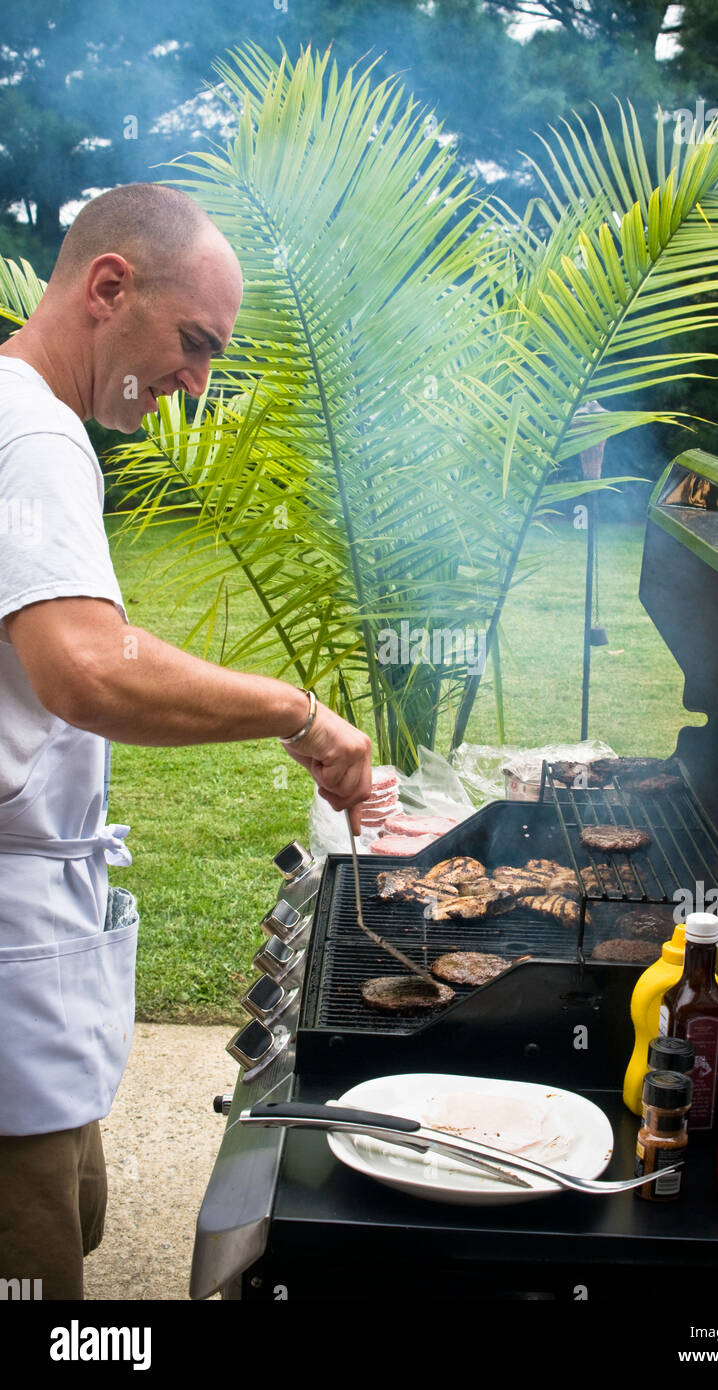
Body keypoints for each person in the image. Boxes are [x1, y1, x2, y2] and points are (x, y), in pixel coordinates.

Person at [0, 183, 372, 1299]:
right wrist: (298, 712)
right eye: (195, 342)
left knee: (69, 1209)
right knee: (30, 1265)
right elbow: (89, 667)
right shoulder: (32, 436)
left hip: (28, 921)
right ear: (109, 287)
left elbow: (81, 640)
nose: (197, 384)